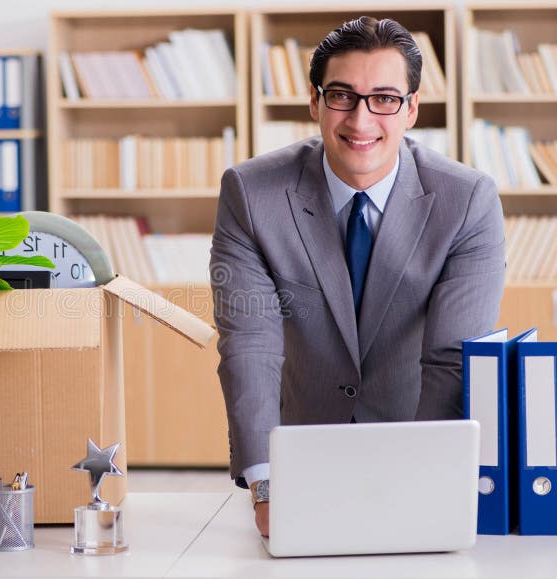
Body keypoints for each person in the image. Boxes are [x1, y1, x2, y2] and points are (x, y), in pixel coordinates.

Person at [209, 16, 505, 537]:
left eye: (384, 99)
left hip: (415, 445)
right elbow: (250, 347)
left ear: (412, 108)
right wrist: (266, 483)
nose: (361, 120)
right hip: (301, 458)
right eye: (342, 95)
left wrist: (426, 479)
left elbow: (451, 358)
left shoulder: (467, 203)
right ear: (315, 102)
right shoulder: (251, 195)